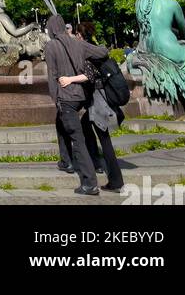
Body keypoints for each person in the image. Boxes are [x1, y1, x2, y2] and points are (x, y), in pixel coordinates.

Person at [45, 13, 112, 196]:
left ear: (51, 29)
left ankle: (89, 183)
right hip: (80, 95)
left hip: (66, 98)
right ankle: (65, 161)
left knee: (77, 139)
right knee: (60, 123)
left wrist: (56, 99)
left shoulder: (51, 46)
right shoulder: (78, 42)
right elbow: (103, 52)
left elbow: (52, 77)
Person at [74, 20, 125, 191]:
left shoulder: (88, 52)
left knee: (105, 140)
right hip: (98, 100)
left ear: (80, 35)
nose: (75, 37)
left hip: (98, 102)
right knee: (85, 127)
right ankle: (95, 163)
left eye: (76, 34)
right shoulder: (97, 48)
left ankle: (116, 181)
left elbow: (89, 76)